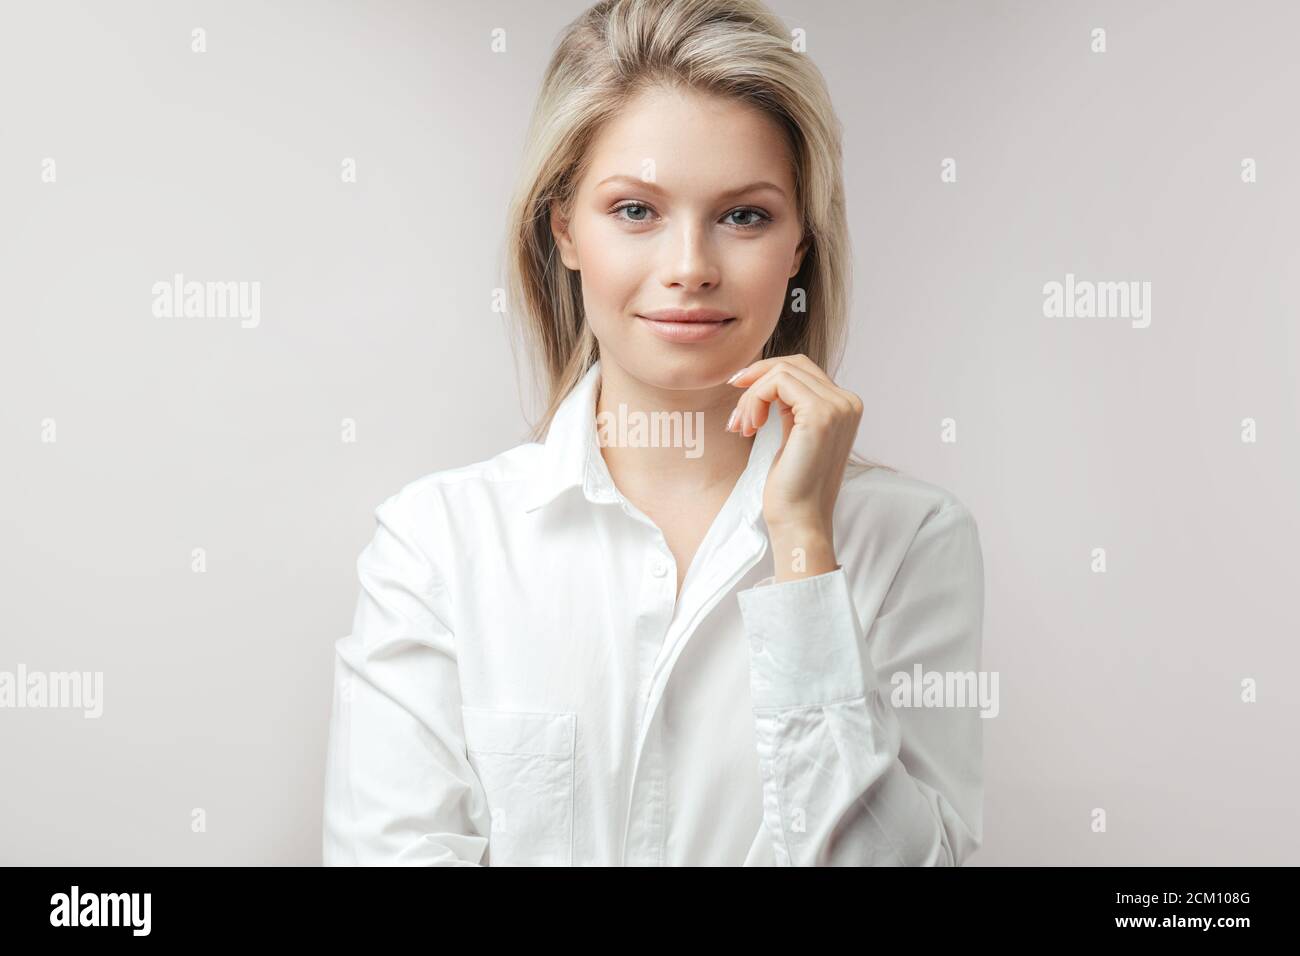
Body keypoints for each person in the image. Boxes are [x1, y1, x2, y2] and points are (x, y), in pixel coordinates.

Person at [322, 0, 985, 866]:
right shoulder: (435, 546)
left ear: (799, 249)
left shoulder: (911, 541)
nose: (689, 269)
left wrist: (803, 559)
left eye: (744, 216)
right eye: (635, 211)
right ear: (564, 228)